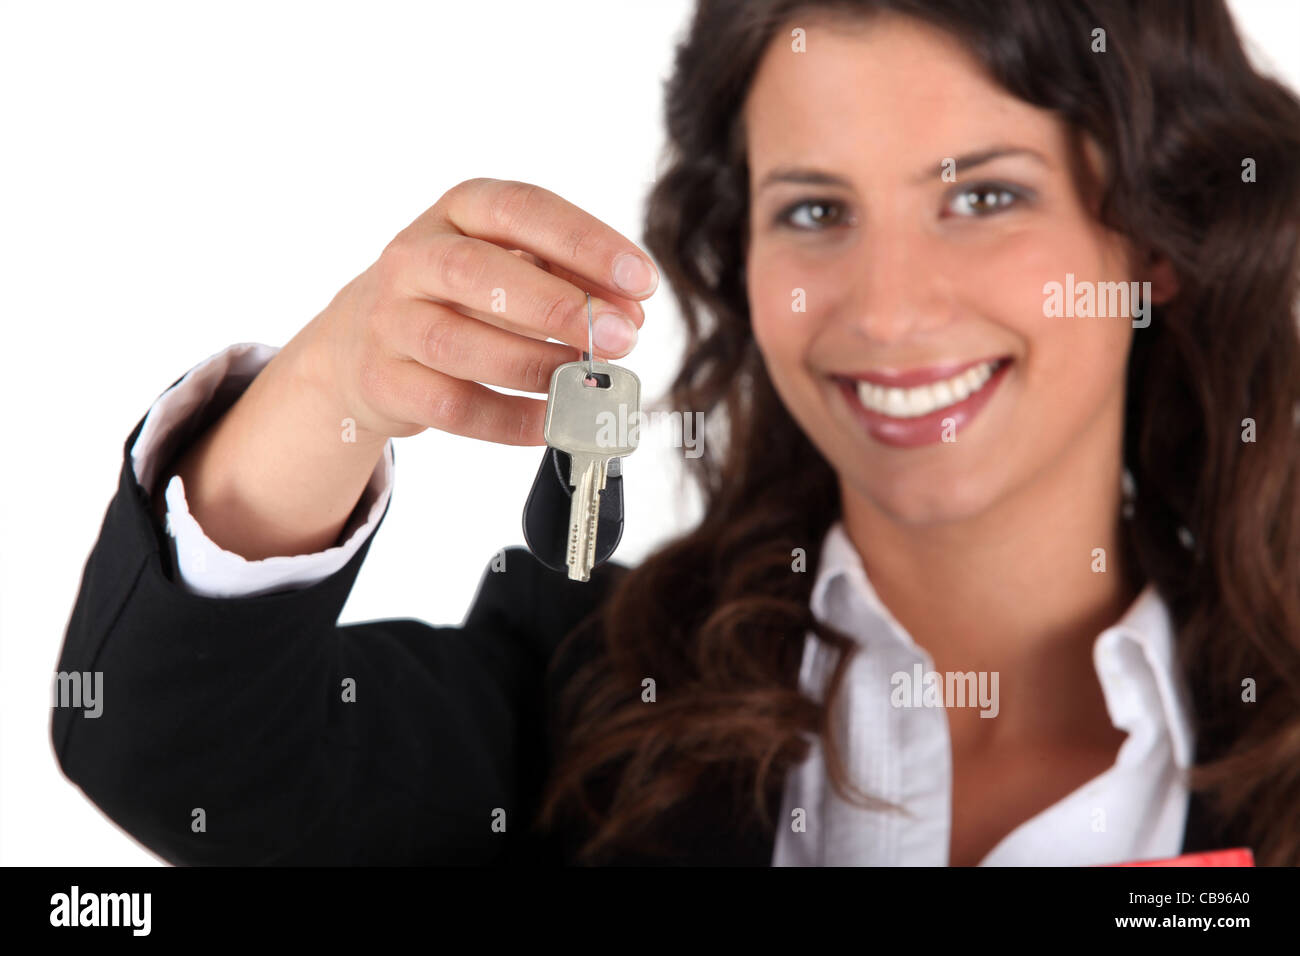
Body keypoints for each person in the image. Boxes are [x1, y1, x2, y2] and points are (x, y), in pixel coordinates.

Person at [52, 0, 1300, 866]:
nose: (889, 306)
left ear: (1150, 238)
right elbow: (180, 751)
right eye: (814, 208)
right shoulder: (592, 697)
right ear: (738, 252)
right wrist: (338, 380)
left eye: (983, 194)